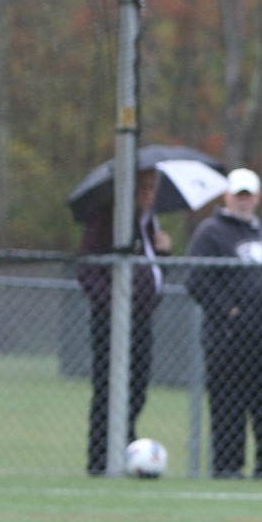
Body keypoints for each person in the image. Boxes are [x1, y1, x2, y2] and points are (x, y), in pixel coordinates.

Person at [185, 168, 262, 478]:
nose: (243, 201)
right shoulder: (210, 232)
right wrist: (228, 309)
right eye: (238, 195)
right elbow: (196, 280)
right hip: (226, 338)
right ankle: (227, 467)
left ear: (258, 198)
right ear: (227, 196)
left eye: (248, 196)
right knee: (228, 406)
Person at [77, 168, 168, 475]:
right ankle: (100, 461)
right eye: (142, 186)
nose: (148, 193)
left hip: (142, 319)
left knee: (137, 389)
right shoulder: (108, 219)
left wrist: (164, 253)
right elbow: (88, 269)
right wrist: (115, 306)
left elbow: (152, 270)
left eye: (152, 187)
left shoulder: (150, 222)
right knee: (108, 389)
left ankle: (124, 450)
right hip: (112, 321)